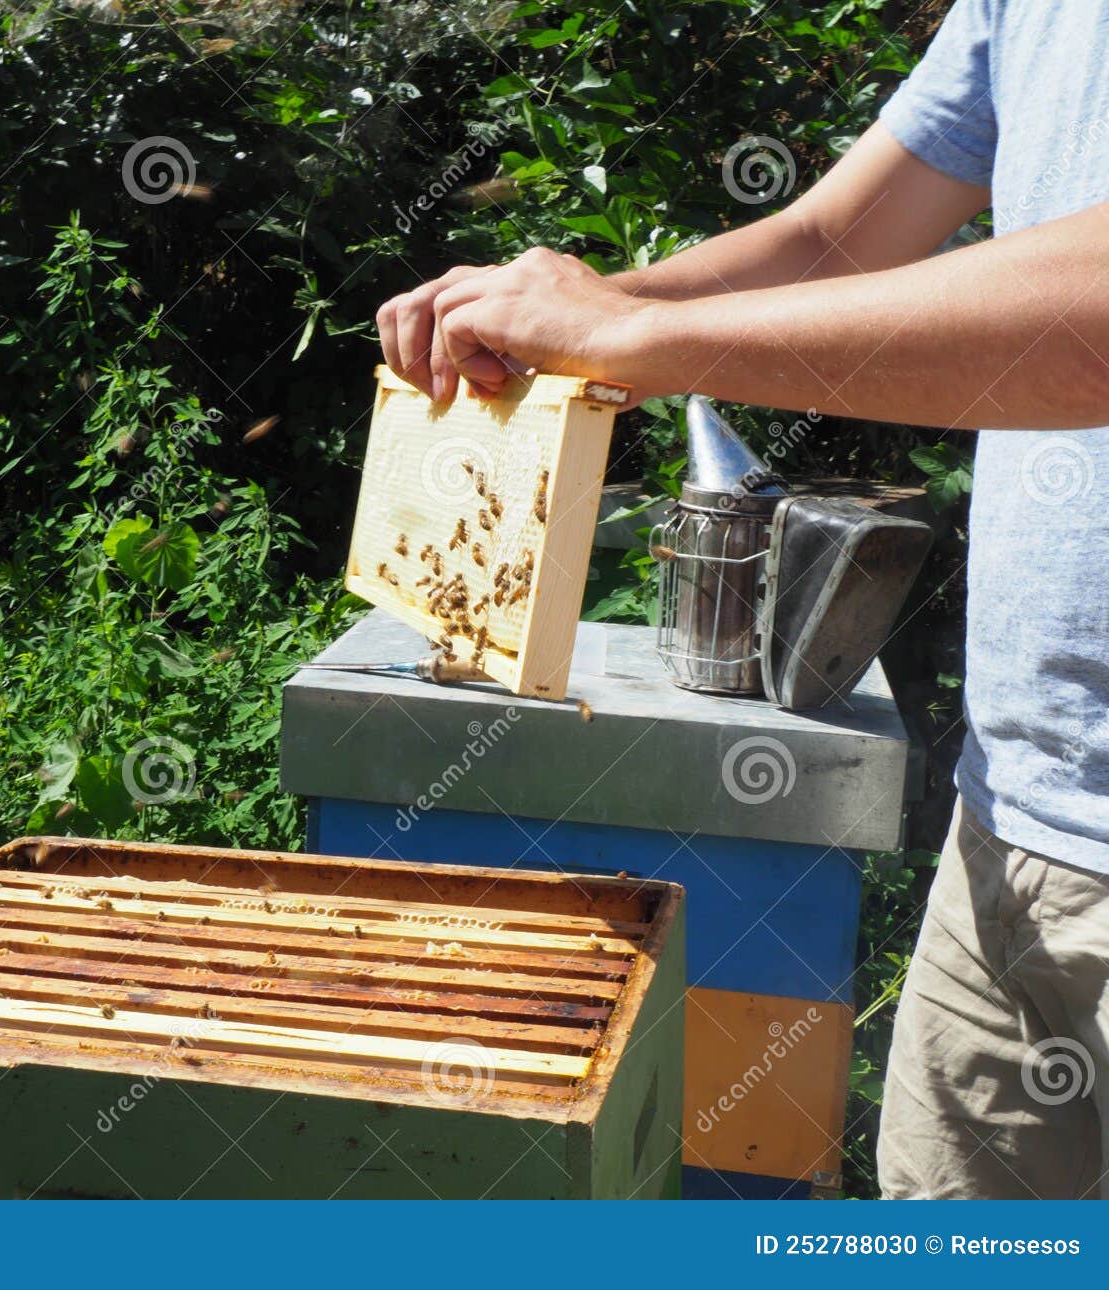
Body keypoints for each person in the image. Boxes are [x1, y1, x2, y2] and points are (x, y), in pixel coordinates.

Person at [376, 0, 1109, 1199]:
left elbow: (1092, 330)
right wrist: (577, 322)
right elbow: (835, 239)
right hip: (1012, 820)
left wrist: (633, 338)